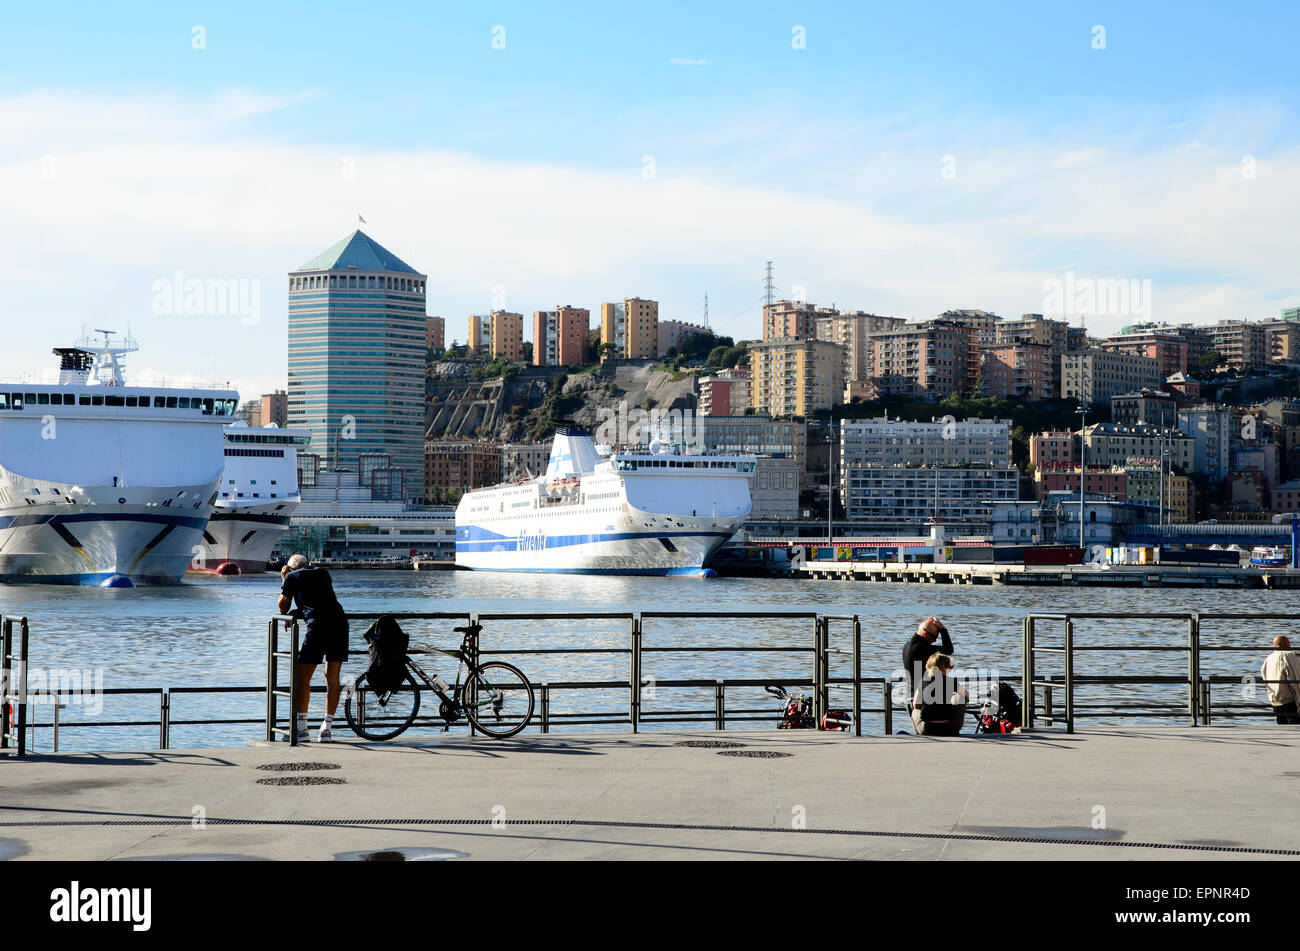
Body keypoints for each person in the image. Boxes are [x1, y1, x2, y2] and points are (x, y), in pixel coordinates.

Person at [276, 553, 349, 742]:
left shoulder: (291, 577)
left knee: (302, 678)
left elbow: (282, 607)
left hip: (318, 627)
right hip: (339, 624)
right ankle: (326, 729)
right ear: (308, 564)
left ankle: (301, 729)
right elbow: (319, 600)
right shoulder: (323, 573)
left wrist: (284, 579)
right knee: (332, 679)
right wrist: (301, 610)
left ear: (291, 568)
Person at [911, 654, 969, 736]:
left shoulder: (923, 681)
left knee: (914, 711)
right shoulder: (951, 681)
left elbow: (916, 705)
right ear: (944, 667)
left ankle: (918, 736)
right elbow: (966, 695)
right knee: (961, 697)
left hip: (927, 728)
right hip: (950, 728)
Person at [903, 616, 953, 696]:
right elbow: (949, 650)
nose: (935, 640)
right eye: (934, 637)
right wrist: (942, 629)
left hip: (910, 695)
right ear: (925, 633)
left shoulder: (907, 645)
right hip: (922, 698)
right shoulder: (920, 648)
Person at [1260, 635, 1300, 724]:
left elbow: (1264, 674)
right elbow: (1294, 678)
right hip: (1289, 701)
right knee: (1295, 729)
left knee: (1284, 729)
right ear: (1287, 644)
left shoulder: (1269, 658)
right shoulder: (1288, 655)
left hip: (1275, 701)